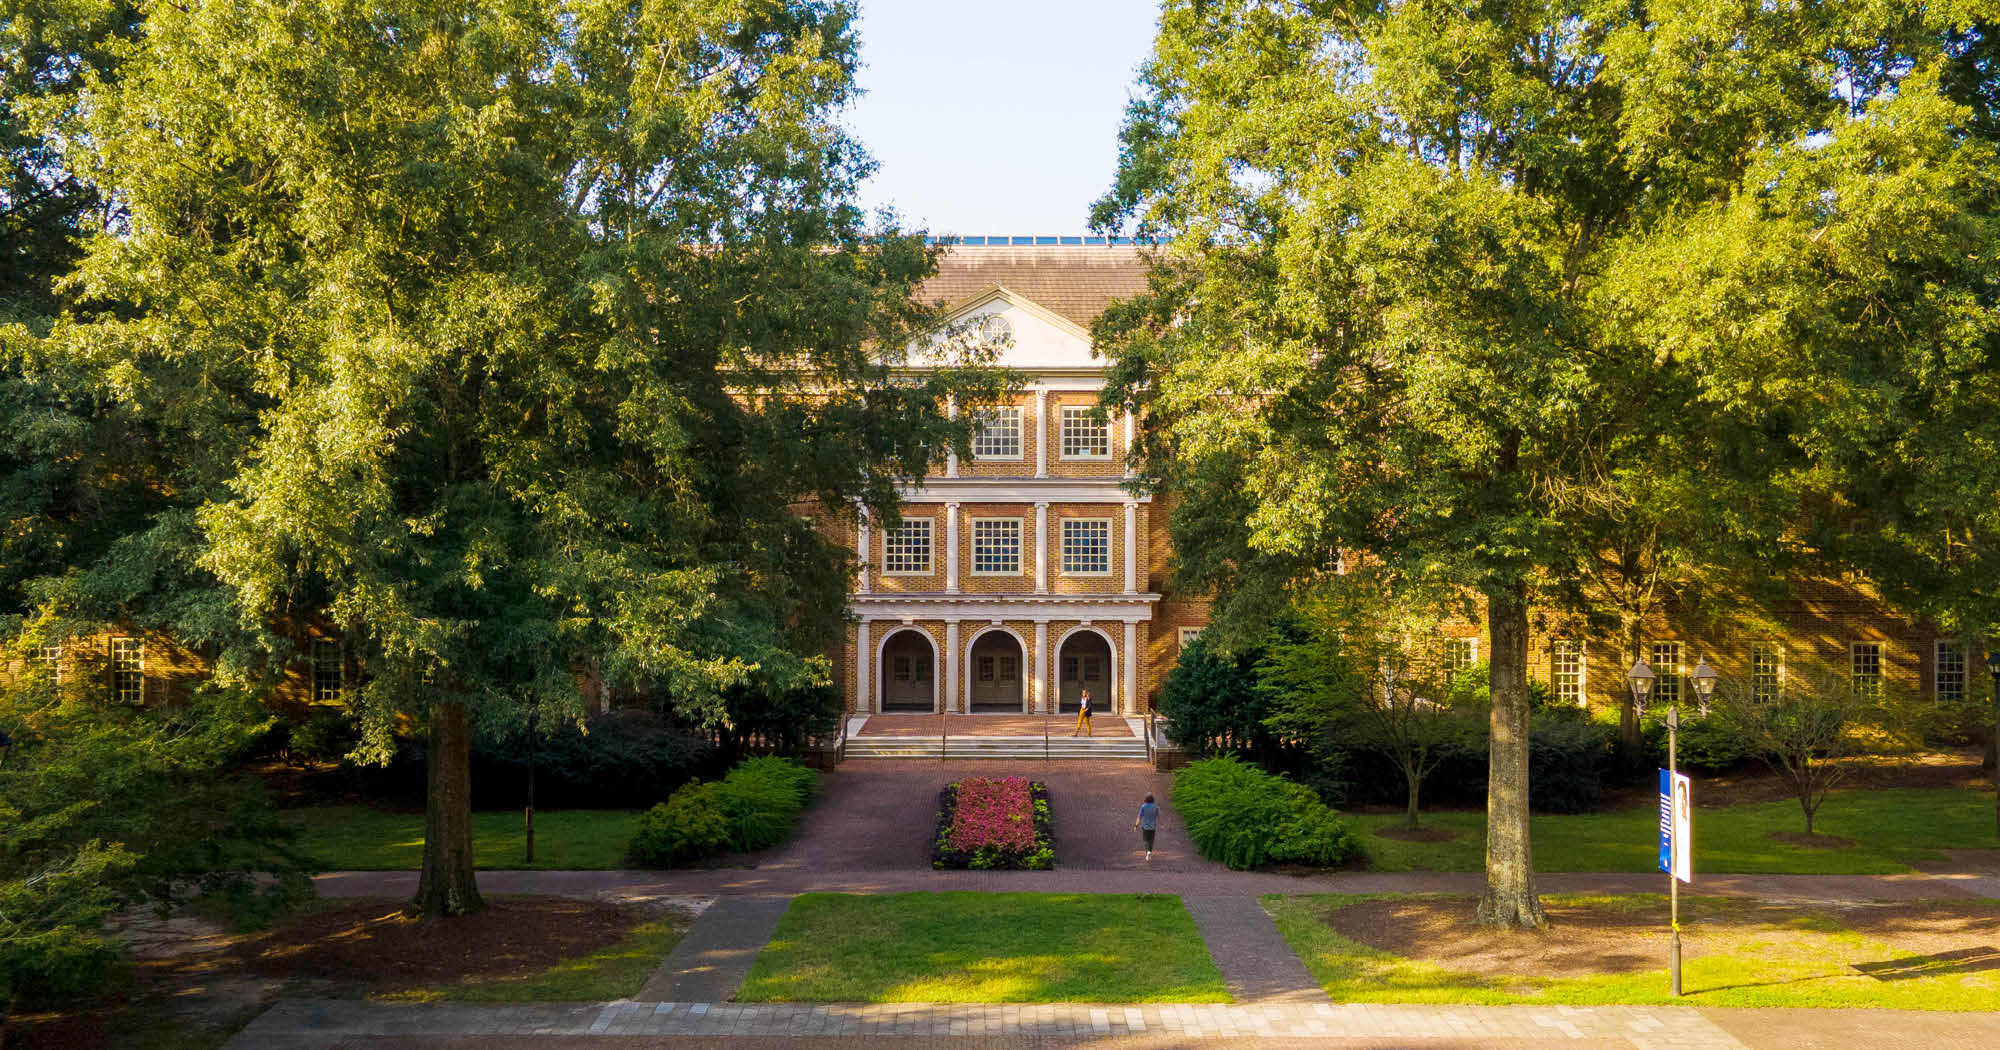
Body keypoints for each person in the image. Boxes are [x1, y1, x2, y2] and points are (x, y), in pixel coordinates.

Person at [1135, 793, 1160, 861]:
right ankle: (1150, 852)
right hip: (1153, 827)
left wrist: (1136, 825)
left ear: (1145, 799)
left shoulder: (1143, 806)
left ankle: (1147, 852)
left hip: (1145, 827)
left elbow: (1139, 817)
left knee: (1145, 840)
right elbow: (1158, 817)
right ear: (1153, 799)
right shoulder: (1156, 807)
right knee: (1151, 840)